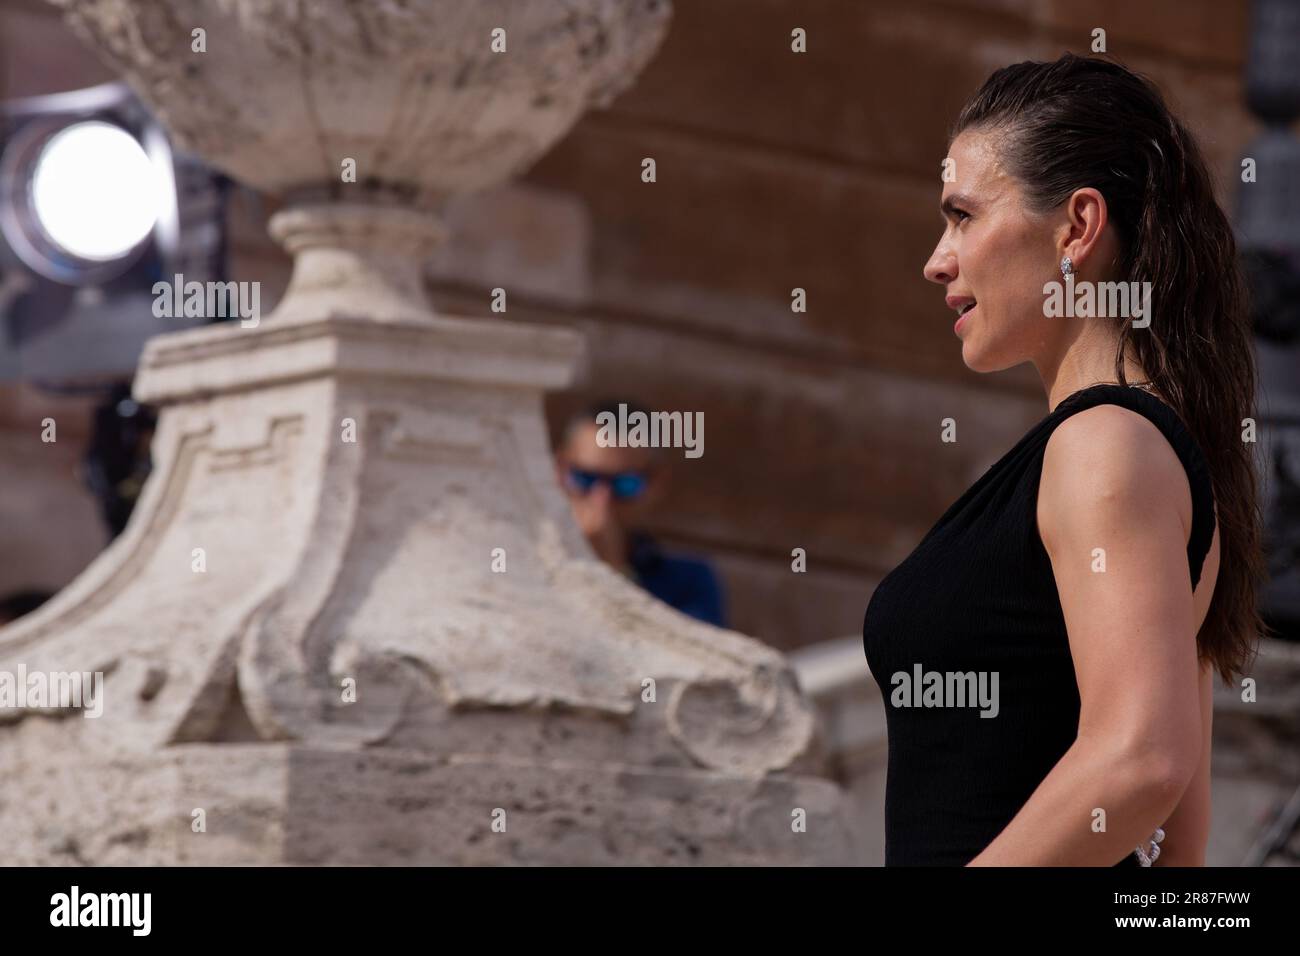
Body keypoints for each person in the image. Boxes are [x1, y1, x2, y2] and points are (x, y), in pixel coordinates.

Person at [862, 54, 1263, 866]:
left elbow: (1141, 760)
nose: (938, 259)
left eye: (964, 216)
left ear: (1076, 227)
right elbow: (1180, 848)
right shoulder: (1146, 452)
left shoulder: (1106, 448)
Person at [555, 401, 726, 627]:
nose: (602, 501)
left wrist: (614, 570)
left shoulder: (689, 582)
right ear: (560, 468)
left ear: (655, 482)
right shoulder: (522, 557)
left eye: (624, 485)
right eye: (586, 478)